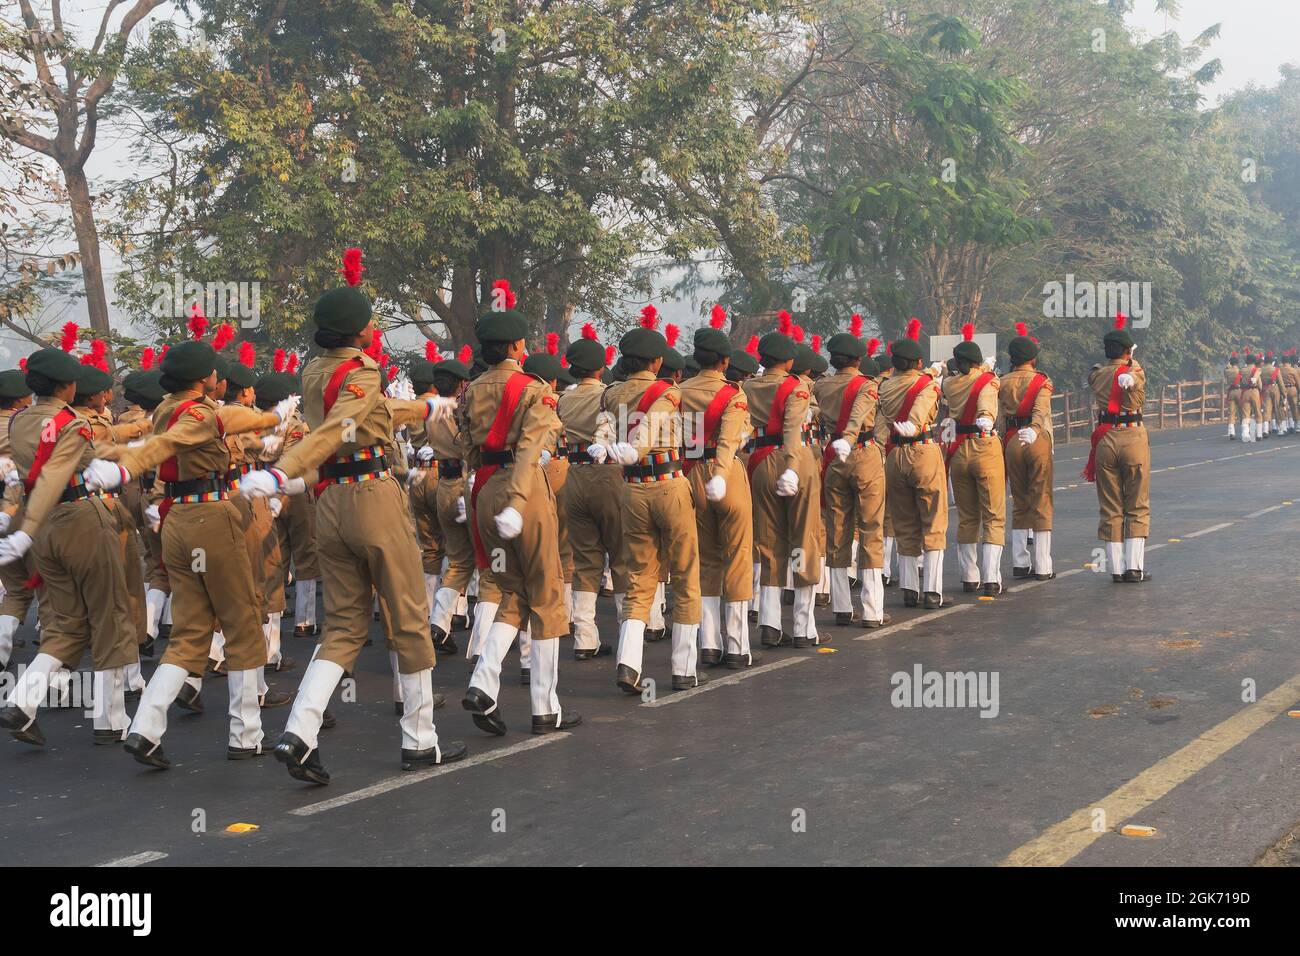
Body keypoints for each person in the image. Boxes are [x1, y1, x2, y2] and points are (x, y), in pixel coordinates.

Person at [238, 268, 468, 782]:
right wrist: (281, 471)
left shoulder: (315, 371)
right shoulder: (361, 372)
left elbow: (371, 413)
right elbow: (334, 430)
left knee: (342, 625)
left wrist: (423, 406)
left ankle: (299, 731)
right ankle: (420, 740)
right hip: (371, 496)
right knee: (407, 618)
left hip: (331, 501)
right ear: (360, 330)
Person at [0, 348, 137, 748]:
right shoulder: (71, 422)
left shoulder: (22, 421)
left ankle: (22, 700)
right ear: (66, 386)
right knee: (109, 613)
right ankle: (110, 720)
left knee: (65, 623)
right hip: (79, 516)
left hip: (40, 526)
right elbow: (92, 463)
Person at [458, 290, 580, 732]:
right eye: (522, 343)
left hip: (486, 490)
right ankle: (545, 709)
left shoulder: (470, 391)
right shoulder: (534, 390)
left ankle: (484, 681)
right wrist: (519, 498)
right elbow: (530, 449)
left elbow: (468, 448)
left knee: (512, 591)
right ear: (513, 348)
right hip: (520, 492)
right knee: (546, 593)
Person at [595, 308, 703, 692]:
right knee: (687, 575)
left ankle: (628, 663)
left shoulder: (611, 393)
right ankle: (684, 668)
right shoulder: (668, 391)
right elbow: (652, 427)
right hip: (667, 483)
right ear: (657, 362)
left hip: (631, 489)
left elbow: (604, 430)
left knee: (640, 577)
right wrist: (633, 447)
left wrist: (606, 446)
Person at [679, 313, 757, 668]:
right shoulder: (733, 394)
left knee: (705, 559)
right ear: (725, 361)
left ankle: (708, 643)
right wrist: (722, 474)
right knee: (737, 558)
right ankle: (737, 645)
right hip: (724, 476)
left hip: (690, 472)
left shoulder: (677, 393)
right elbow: (730, 440)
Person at [743, 328, 822, 646]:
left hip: (761, 460)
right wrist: (791, 466)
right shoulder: (797, 386)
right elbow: (792, 429)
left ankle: (770, 623)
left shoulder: (748, 385)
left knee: (769, 543)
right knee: (804, 540)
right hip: (794, 461)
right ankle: (803, 627)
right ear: (788, 361)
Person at [815, 325, 888, 628]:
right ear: (859, 360)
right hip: (863, 452)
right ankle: (872, 609)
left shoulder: (821, 386)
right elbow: (858, 414)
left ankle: (842, 607)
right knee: (871, 528)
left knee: (838, 528)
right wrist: (850, 435)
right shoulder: (867, 385)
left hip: (834, 457)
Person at [557, 327, 622, 661]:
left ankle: (584, 637)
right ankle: (630, 636)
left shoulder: (564, 399)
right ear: (600, 367)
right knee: (622, 555)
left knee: (584, 560)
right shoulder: (609, 394)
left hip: (574, 475)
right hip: (608, 474)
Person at [875, 319, 947, 608]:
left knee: (903, 522)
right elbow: (919, 412)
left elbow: (880, 425)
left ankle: (909, 589)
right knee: (933, 520)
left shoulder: (883, 387)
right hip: (922, 450)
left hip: (894, 455)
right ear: (918, 362)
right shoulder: (927, 385)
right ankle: (932, 591)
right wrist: (914, 424)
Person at [1084, 315, 1150, 583]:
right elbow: (1137, 378)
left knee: (1110, 506)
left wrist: (1123, 362)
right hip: (1132, 436)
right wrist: (1129, 367)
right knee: (1136, 504)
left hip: (1106, 438)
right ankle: (1134, 568)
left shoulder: (1098, 374)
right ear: (1127, 351)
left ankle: (1115, 569)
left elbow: (1095, 374)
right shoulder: (1134, 372)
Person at [941, 324, 1005, 597]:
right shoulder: (988, 380)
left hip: (959, 452)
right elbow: (988, 402)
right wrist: (987, 372)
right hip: (984, 447)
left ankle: (969, 576)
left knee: (967, 517)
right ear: (978, 362)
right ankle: (991, 578)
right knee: (993, 515)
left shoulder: (949, 383)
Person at [998, 323, 1054, 580]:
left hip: (1011, 440)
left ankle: (1020, 563)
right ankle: (1043, 565)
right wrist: (1033, 428)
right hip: (1036, 437)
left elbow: (999, 418)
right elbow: (1040, 409)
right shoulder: (1041, 380)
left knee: (1019, 502)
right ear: (1033, 359)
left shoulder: (1001, 382)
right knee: (1041, 500)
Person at [0, 367, 40, 672]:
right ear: (19, 399)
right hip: (25, 512)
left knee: (15, 590)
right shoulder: (23, 427)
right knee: (49, 590)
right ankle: (58, 675)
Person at [1222, 351, 1241, 440]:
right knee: (1243, 411)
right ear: (1237, 363)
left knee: (1231, 413)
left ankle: (1231, 432)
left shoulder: (1227, 371)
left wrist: (1228, 364)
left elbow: (1225, 369)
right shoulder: (1239, 371)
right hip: (1239, 391)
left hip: (1230, 392)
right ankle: (1245, 430)